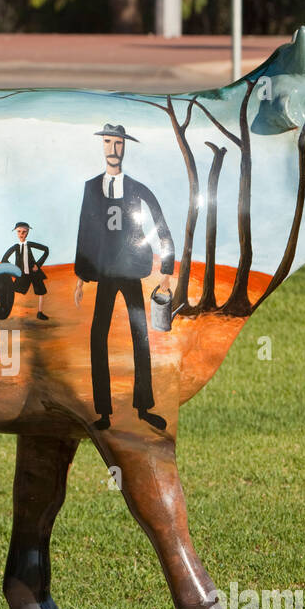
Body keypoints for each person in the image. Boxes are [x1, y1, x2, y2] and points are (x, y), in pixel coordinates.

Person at [73, 124, 174, 432]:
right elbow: (85, 230)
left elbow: (160, 225)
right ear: (102, 145)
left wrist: (167, 271)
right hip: (104, 272)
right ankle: (102, 411)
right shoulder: (91, 187)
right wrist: (81, 275)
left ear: (124, 146)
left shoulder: (138, 189)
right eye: (108, 142)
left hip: (132, 271)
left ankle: (144, 406)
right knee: (97, 337)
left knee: (139, 335)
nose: (113, 148)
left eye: (118, 142)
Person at [1, 222, 50, 319]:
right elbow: (4, 259)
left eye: (24, 232)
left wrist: (38, 265)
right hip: (22, 274)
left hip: (34, 272)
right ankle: (7, 307)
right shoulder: (15, 247)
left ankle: (40, 312)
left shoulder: (30, 244)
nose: (21, 234)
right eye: (19, 231)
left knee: (41, 291)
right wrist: (13, 269)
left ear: (28, 232)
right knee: (14, 289)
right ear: (16, 232)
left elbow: (46, 250)